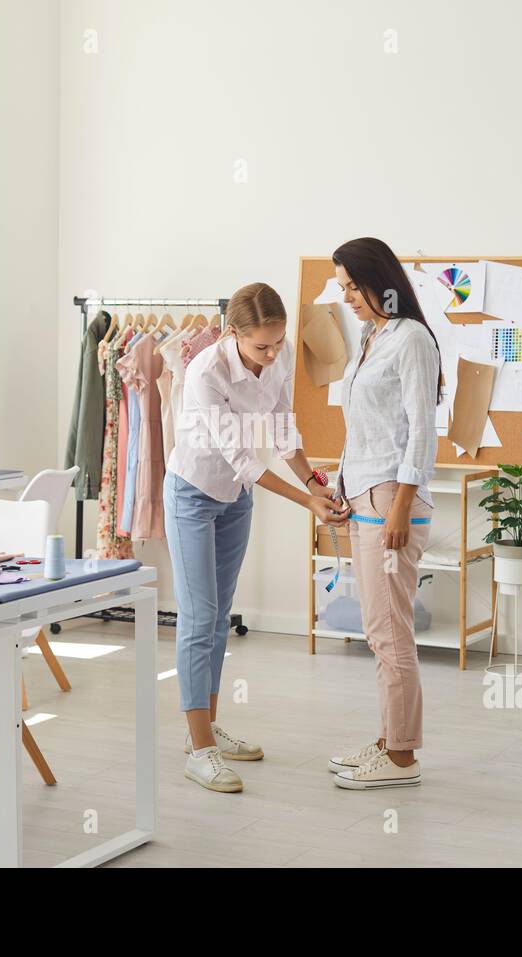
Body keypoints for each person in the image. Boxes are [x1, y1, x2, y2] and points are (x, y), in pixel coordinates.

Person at [166, 281, 349, 793]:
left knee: (219, 617)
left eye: (277, 343)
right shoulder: (206, 372)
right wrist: (306, 503)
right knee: (198, 619)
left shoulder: (282, 353)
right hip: (193, 494)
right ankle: (200, 752)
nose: (271, 355)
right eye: (260, 346)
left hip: (234, 500)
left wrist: (316, 483)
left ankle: (203, 733)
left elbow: (282, 427)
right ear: (233, 335)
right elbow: (242, 460)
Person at [325, 237, 442, 791]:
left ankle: (401, 758)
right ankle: (391, 739)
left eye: (352, 285)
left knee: (390, 633)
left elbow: (422, 431)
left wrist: (398, 505)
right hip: (368, 497)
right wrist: (341, 489)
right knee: (380, 630)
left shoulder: (412, 339)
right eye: (342, 287)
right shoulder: (375, 337)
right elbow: (364, 430)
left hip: (393, 500)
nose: (346, 297)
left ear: (380, 279)